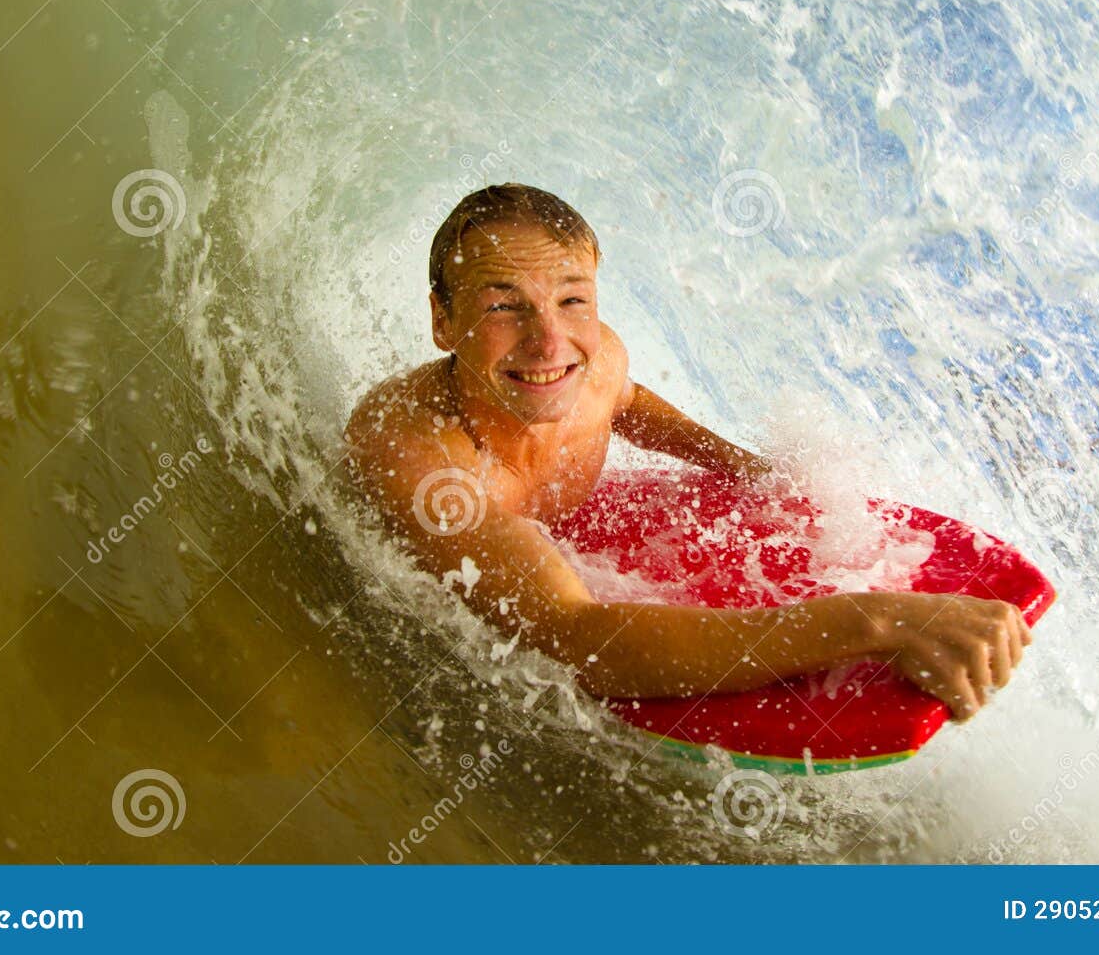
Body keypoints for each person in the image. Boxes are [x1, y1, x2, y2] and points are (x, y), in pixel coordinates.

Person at [343, 183, 1029, 720]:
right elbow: (582, 642)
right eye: (503, 307)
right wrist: (874, 616)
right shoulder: (428, 465)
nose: (549, 343)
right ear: (442, 321)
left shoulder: (594, 359)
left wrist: (746, 467)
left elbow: (631, 403)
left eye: (573, 300)